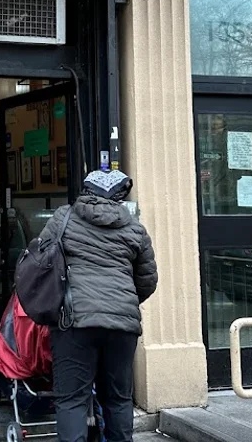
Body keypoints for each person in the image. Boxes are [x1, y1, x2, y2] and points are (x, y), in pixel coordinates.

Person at [38, 170, 157, 442]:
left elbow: (40, 261)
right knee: (118, 399)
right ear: (119, 195)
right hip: (122, 327)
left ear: (86, 190)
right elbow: (148, 280)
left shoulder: (63, 218)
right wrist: (122, 303)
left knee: (72, 400)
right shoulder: (135, 228)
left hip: (74, 322)